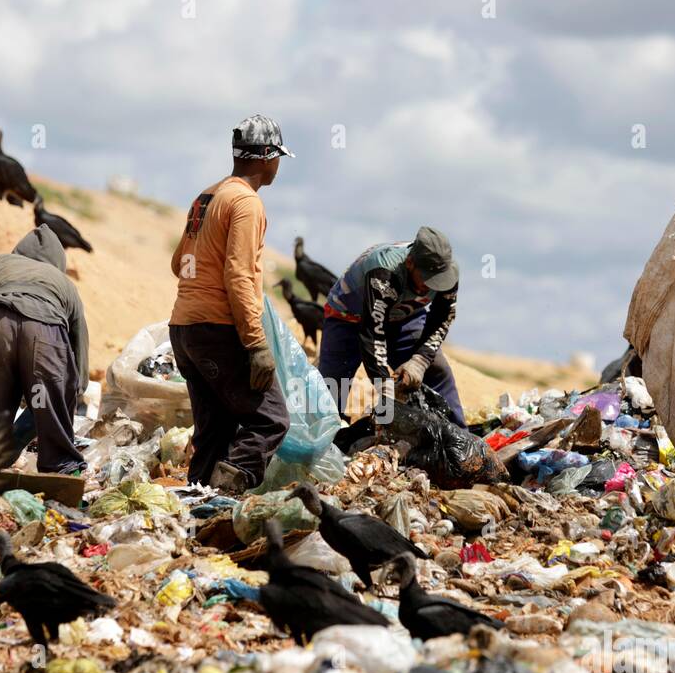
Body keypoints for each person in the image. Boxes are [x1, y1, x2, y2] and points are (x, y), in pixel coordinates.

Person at [168, 114, 293, 494]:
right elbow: (237, 275)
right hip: (218, 330)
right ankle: (223, 495)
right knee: (270, 420)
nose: (277, 166)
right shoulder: (246, 202)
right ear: (266, 156)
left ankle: (195, 505)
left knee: (215, 429)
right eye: (278, 157)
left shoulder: (206, 196)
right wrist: (255, 344)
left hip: (183, 328)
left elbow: (179, 264)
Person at [0, 224, 90, 475]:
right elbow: (79, 348)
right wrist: (72, 393)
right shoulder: (65, 285)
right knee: (49, 408)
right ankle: (62, 474)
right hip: (45, 333)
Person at [318, 226, 465, 427]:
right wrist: (382, 383)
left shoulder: (448, 273)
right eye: (426, 280)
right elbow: (372, 331)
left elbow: (443, 318)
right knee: (332, 388)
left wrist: (420, 361)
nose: (431, 287)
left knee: (436, 370)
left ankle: (459, 436)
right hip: (348, 316)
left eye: (437, 282)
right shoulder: (384, 271)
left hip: (403, 316)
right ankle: (324, 437)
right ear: (410, 263)